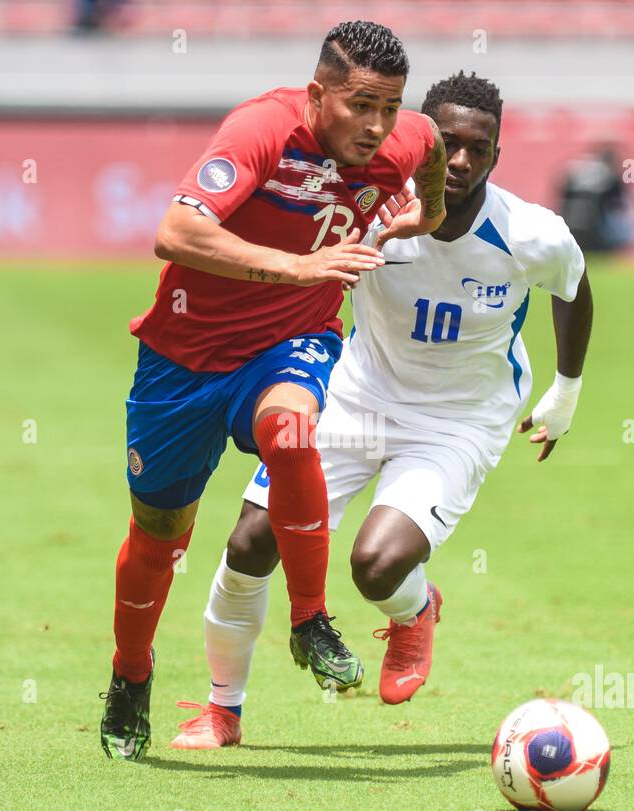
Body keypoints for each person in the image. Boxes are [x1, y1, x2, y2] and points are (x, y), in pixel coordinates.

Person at [171, 72, 593, 750]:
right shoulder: (372, 211)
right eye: (446, 144)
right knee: (250, 543)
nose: (458, 162)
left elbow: (573, 288)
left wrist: (566, 390)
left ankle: (415, 608)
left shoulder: (532, 234)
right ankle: (224, 708)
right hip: (358, 395)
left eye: (476, 149)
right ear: (419, 142)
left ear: (496, 156)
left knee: (375, 564)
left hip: (458, 420)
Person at [97, 20, 448, 761]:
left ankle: (310, 619)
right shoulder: (260, 128)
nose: (378, 125)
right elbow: (175, 234)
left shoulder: (404, 137)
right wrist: (296, 266)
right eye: (361, 106)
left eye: (389, 107)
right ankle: (131, 674)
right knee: (158, 538)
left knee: (290, 434)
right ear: (318, 95)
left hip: (291, 344)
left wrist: (433, 211)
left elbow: (434, 147)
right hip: (182, 358)